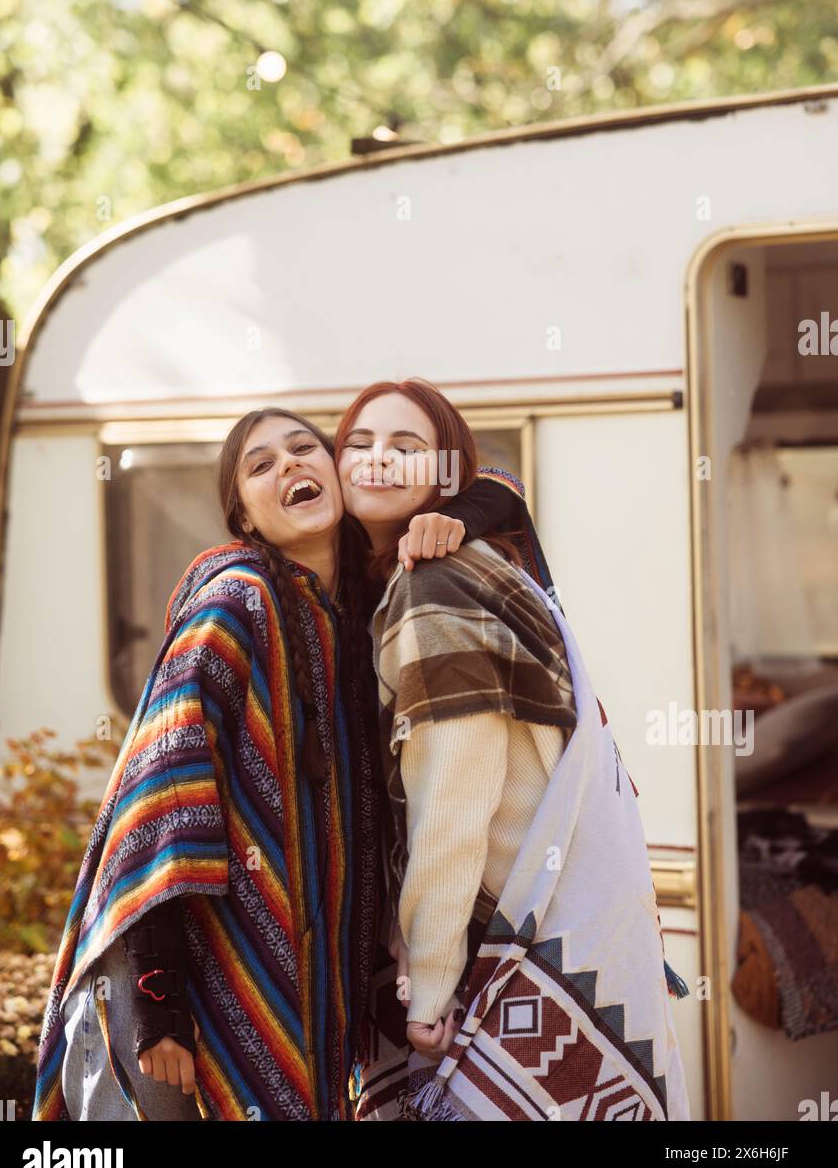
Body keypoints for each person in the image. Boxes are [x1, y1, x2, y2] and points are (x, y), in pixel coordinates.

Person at [32, 406, 542, 1121]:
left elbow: (503, 481)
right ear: (243, 514)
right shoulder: (234, 605)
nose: (290, 466)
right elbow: (160, 802)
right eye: (260, 464)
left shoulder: (361, 605)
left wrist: (463, 512)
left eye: (306, 448)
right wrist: (156, 1003)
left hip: (313, 991)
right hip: (192, 997)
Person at [336, 379, 692, 1122]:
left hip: (515, 944)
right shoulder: (469, 566)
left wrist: (428, 982)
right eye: (358, 444)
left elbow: (453, 805)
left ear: (444, 476)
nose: (376, 459)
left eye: (405, 447)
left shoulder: (434, 588)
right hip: (580, 924)